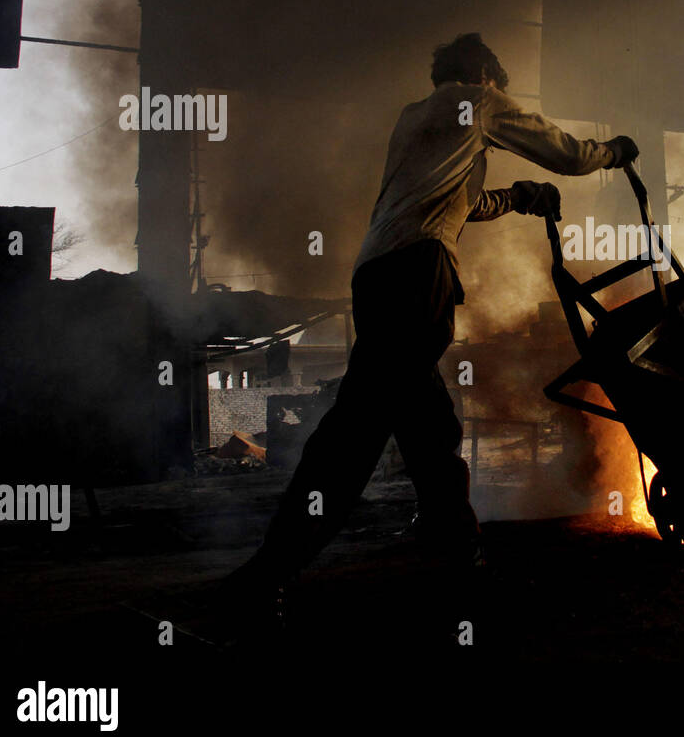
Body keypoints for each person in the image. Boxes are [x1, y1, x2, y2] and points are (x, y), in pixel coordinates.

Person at [227, 33, 638, 598]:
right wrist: (614, 151)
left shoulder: (414, 119)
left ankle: (455, 548)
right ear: (486, 75)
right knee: (359, 427)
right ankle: (273, 568)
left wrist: (516, 197)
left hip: (377, 273)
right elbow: (567, 154)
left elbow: (453, 203)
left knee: (426, 422)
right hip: (419, 273)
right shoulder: (482, 100)